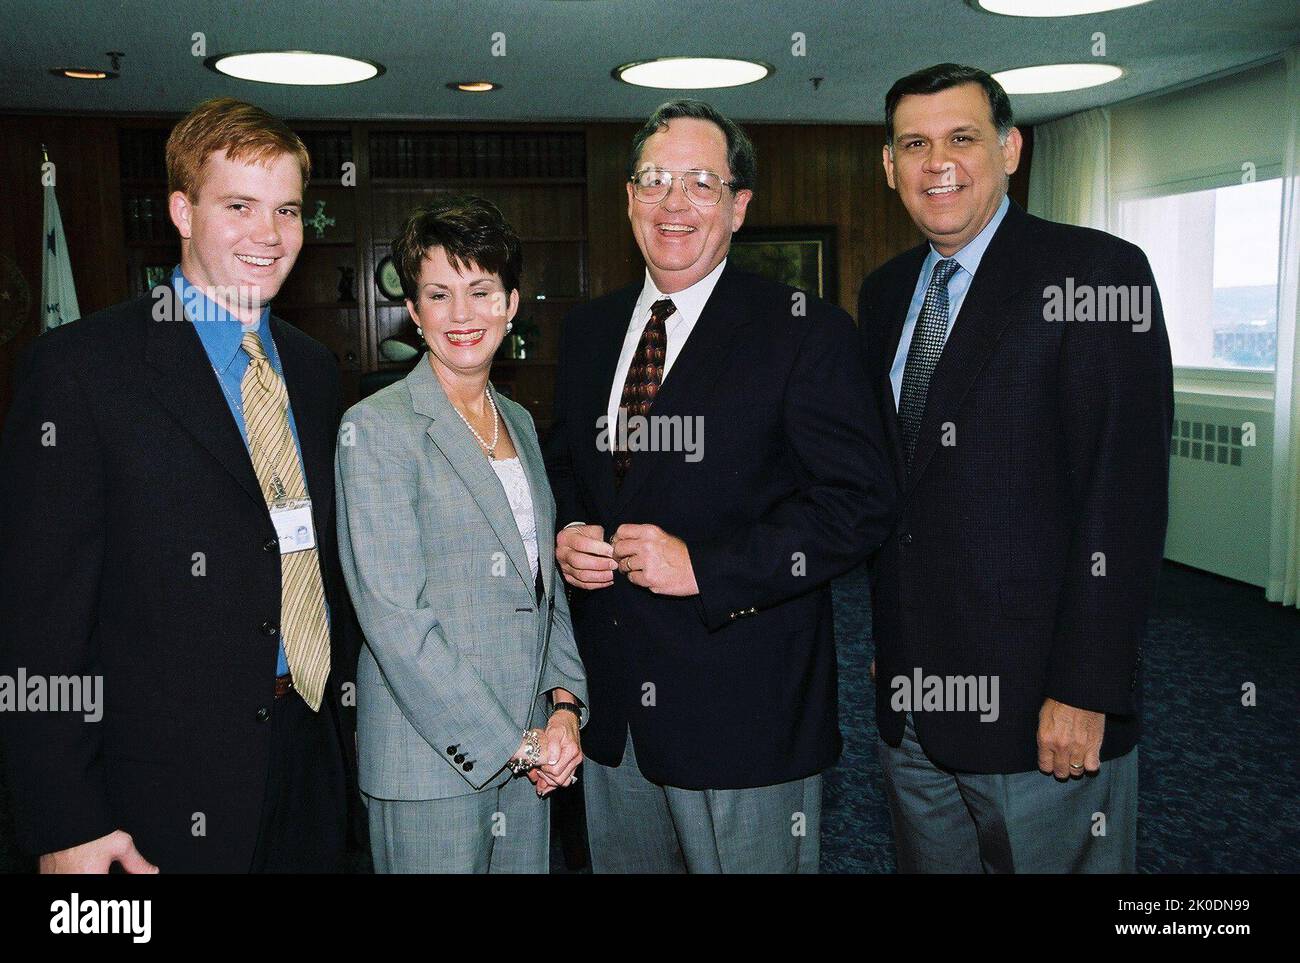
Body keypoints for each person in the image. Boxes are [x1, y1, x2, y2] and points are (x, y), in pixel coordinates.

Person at [0, 97, 357, 872]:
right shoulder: (80, 371)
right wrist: (64, 823)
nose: (269, 235)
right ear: (181, 212)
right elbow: (36, 620)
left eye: (287, 210)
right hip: (152, 796)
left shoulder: (317, 369)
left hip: (310, 763)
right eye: (239, 206)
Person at [545, 100, 895, 873]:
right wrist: (568, 530)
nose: (674, 204)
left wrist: (707, 568)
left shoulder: (806, 329)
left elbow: (859, 504)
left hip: (746, 715)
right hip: (613, 722)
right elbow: (570, 465)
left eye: (701, 183)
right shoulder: (589, 331)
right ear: (628, 197)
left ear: (739, 207)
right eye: (655, 180)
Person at [857, 63, 1173, 873]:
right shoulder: (887, 291)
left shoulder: (1097, 275)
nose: (939, 163)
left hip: (1045, 708)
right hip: (916, 706)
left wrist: (1087, 687)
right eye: (914, 144)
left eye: (962, 139)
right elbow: (902, 489)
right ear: (889, 166)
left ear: (1010, 149)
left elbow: (1123, 502)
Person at [335, 196, 587, 874]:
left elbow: (545, 587)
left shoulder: (522, 424)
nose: (462, 314)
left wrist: (565, 705)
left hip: (531, 754)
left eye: (481, 291)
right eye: (439, 294)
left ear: (511, 302)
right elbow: (394, 618)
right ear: (413, 313)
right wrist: (513, 743)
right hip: (429, 762)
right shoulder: (378, 427)